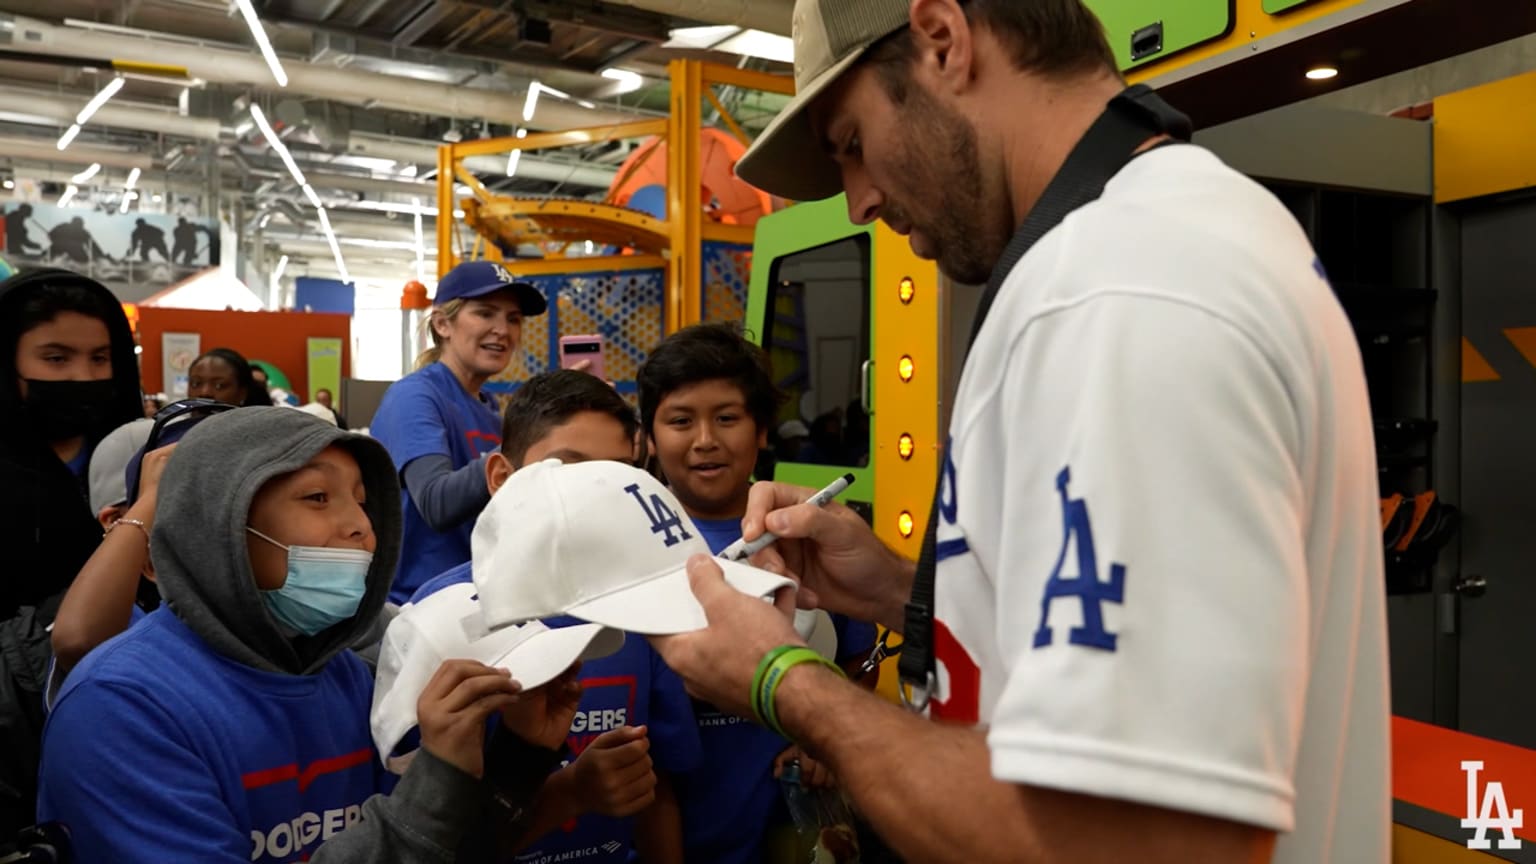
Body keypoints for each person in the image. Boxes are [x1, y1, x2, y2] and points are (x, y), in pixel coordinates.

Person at [647, 1, 1388, 863]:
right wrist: (900, 590)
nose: (859, 201)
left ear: (943, 39)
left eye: (852, 144)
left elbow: (1139, 837)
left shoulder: (1116, 293)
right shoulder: (1170, 237)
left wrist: (784, 683)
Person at [38, 407, 583, 861]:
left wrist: (521, 754)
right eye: (317, 498)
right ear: (218, 526)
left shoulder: (348, 676)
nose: (361, 526)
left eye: (363, 502)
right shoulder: (123, 707)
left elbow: (436, 849)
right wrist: (434, 783)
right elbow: (410, 830)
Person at [404, 369, 700, 862]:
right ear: (500, 478)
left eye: (615, 477)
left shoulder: (648, 611)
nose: (592, 499)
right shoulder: (434, 621)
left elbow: (657, 784)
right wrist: (566, 793)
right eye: (565, 470)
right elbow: (421, 836)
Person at [635, 323, 877, 864]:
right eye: (680, 421)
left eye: (727, 418)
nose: (705, 440)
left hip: (794, 830)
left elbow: (863, 659)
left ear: (762, 429)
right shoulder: (626, 550)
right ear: (648, 438)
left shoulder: (812, 541)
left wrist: (827, 739)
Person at [0, 267, 144, 837]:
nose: (82, 377)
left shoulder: (142, 460)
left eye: (100, 358)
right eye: (55, 359)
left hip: (125, 711)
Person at [370, 260, 548, 604]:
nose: (503, 329)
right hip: (419, 605)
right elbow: (438, 503)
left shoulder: (489, 407)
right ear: (442, 323)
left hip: (478, 598)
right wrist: (538, 439)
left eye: (513, 319)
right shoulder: (416, 396)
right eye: (485, 313)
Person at [187, 346, 273, 407]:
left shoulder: (259, 430)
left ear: (242, 393)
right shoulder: (176, 426)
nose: (204, 393)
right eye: (195, 384)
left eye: (219, 386)